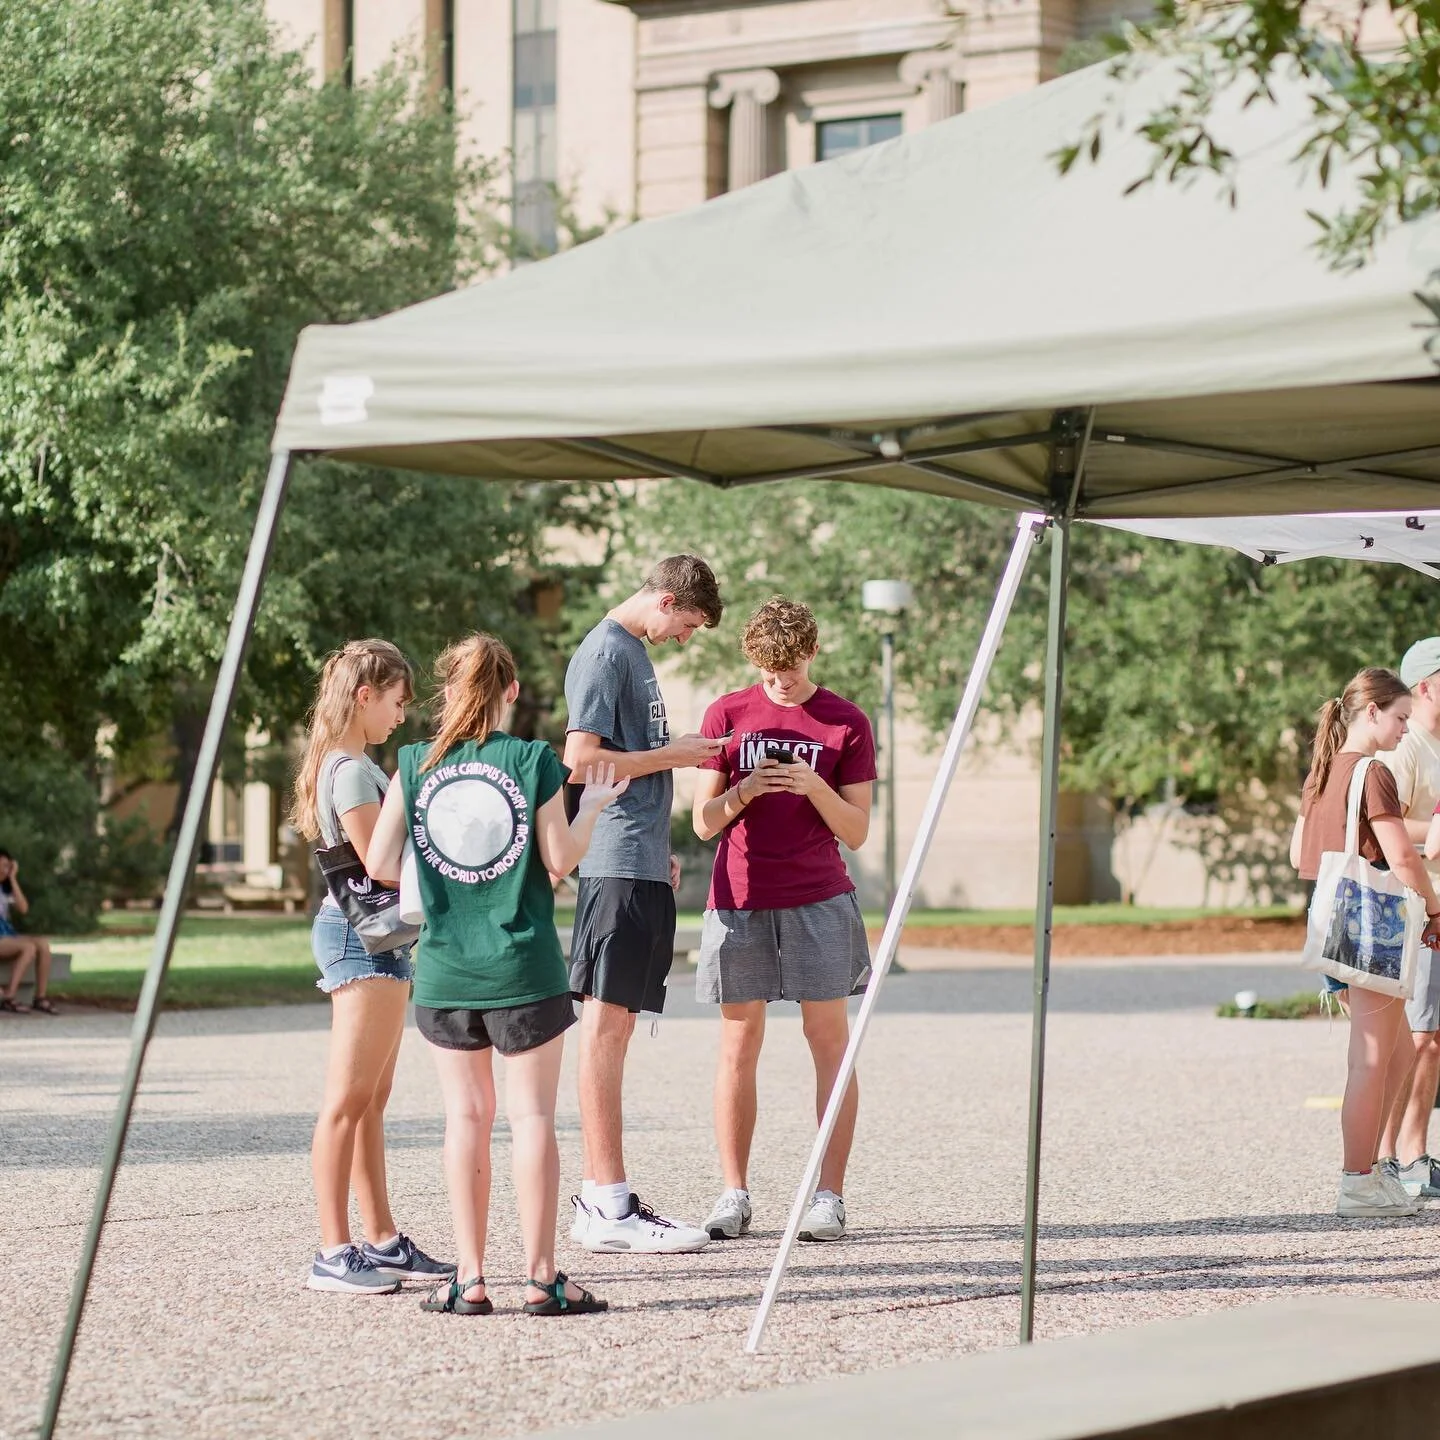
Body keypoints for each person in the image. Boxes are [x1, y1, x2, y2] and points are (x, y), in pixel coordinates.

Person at [366, 633, 622, 1315]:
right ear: (511, 691)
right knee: (532, 1117)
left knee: (466, 1119)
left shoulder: (415, 762)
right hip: (523, 964)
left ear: (448, 688)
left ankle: (470, 1278)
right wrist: (594, 807)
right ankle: (542, 1279)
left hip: (446, 969)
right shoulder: (532, 759)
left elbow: (381, 865)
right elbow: (560, 859)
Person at [690, 597, 876, 1242]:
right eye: (769, 674)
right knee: (738, 1045)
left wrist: (812, 786)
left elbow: (857, 830)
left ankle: (829, 1196)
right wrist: (745, 789)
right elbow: (702, 822)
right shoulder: (727, 714)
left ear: (812, 654)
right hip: (739, 898)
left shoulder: (846, 721)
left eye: (790, 671)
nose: (780, 683)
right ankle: (733, 1193)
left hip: (818, 898)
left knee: (829, 1042)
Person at [564, 554, 726, 1253]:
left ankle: (605, 1199)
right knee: (605, 1029)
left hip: (639, 861)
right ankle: (607, 1204)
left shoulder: (632, 651)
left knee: (620, 1027)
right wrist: (676, 755)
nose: (685, 638)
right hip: (614, 865)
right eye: (686, 624)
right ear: (664, 601)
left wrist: (657, 844)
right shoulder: (606, 652)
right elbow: (580, 760)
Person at [290, 639, 453, 1294]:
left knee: (370, 1102)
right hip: (361, 938)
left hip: (374, 940)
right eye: (396, 701)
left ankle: (382, 1240)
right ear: (365, 697)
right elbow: (379, 866)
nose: (401, 715)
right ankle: (333, 1252)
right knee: (346, 1103)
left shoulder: (349, 764)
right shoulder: (352, 771)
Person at [1291, 667, 1440, 1219]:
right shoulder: (1372, 772)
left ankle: (1372, 1172)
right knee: (1373, 1059)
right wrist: (1435, 907)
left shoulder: (1323, 769)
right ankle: (1357, 1182)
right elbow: (1401, 856)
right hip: (1370, 926)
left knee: (1397, 1052)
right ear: (1371, 711)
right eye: (1399, 717)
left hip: (1333, 922)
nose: (1405, 728)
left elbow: (1300, 854)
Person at [1376, 638, 1440, 1199]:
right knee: (1417, 1039)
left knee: (1431, 1038)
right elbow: (1385, 824)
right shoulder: (1407, 747)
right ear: (1426, 686)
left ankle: (1415, 1155)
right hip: (1419, 910)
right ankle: (1391, 1160)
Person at [0, 850, 58, 1016]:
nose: (3, 870)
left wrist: (13, 879)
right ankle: (9, 996)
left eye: (7, 866)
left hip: (6, 934)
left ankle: (40, 997)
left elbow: (23, 908)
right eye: (0, 866)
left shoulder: (5, 890)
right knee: (28, 947)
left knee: (43, 944)